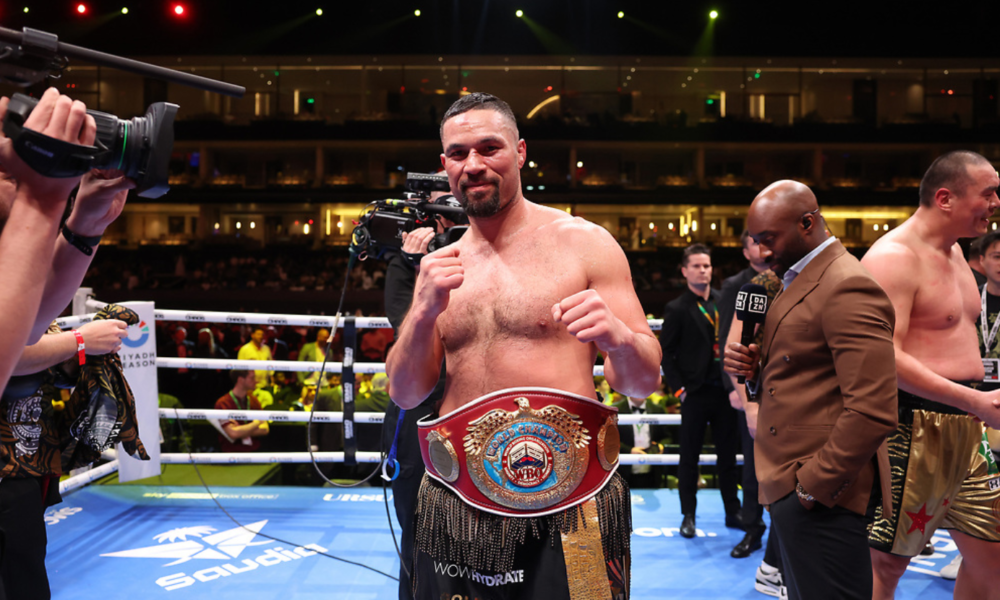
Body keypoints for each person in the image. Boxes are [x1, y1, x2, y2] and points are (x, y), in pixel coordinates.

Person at [386, 92, 661, 600]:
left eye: (489, 148)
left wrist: (619, 340)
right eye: (458, 153)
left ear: (520, 152)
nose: (473, 165)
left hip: (575, 504)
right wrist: (422, 312)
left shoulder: (583, 242)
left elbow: (643, 382)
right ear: (443, 163)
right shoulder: (442, 265)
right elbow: (404, 393)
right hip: (456, 498)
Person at [724, 180, 897, 600]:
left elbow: (873, 409)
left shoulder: (847, 285)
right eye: (756, 241)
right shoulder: (797, 278)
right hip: (793, 483)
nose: (762, 252)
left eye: (769, 239)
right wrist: (756, 370)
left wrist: (811, 488)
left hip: (823, 493)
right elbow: (804, 373)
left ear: (807, 223)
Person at [860, 150, 1000, 600]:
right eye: (988, 192)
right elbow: (883, 356)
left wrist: (976, 401)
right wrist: (975, 401)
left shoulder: (957, 253)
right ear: (945, 198)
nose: (997, 202)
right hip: (910, 425)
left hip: (966, 428)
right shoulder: (892, 257)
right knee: (886, 562)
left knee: (992, 551)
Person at [660, 243, 741, 538]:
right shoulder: (676, 308)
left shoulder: (723, 302)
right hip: (695, 392)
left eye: (706, 265)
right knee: (689, 458)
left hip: (725, 392)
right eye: (696, 265)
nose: (702, 270)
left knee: (729, 458)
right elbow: (666, 353)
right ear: (684, 271)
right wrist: (680, 390)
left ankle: (733, 512)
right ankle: (688, 516)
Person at [718, 231, 772, 558]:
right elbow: (728, 340)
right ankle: (753, 529)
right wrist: (735, 388)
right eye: (756, 241)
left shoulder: (792, 279)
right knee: (752, 467)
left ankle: (781, 546)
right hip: (750, 387)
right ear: (745, 249)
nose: (764, 248)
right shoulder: (737, 286)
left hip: (786, 388)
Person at [612, 394, 671, 489]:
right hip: (623, 471)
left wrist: (661, 446)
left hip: (652, 470)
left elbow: (667, 436)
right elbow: (608, 440)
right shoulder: (615, 409)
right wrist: (629, 450)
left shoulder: (657, 409)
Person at [214, 369, 269, 452]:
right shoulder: (223, 403)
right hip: (231, 456)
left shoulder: (254, 400)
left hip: (254, 454)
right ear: (241, 380)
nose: (256, 381)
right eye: (252, 378)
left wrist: (240, 430)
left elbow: (265, 429)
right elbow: (233, 433)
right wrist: (256, 422)